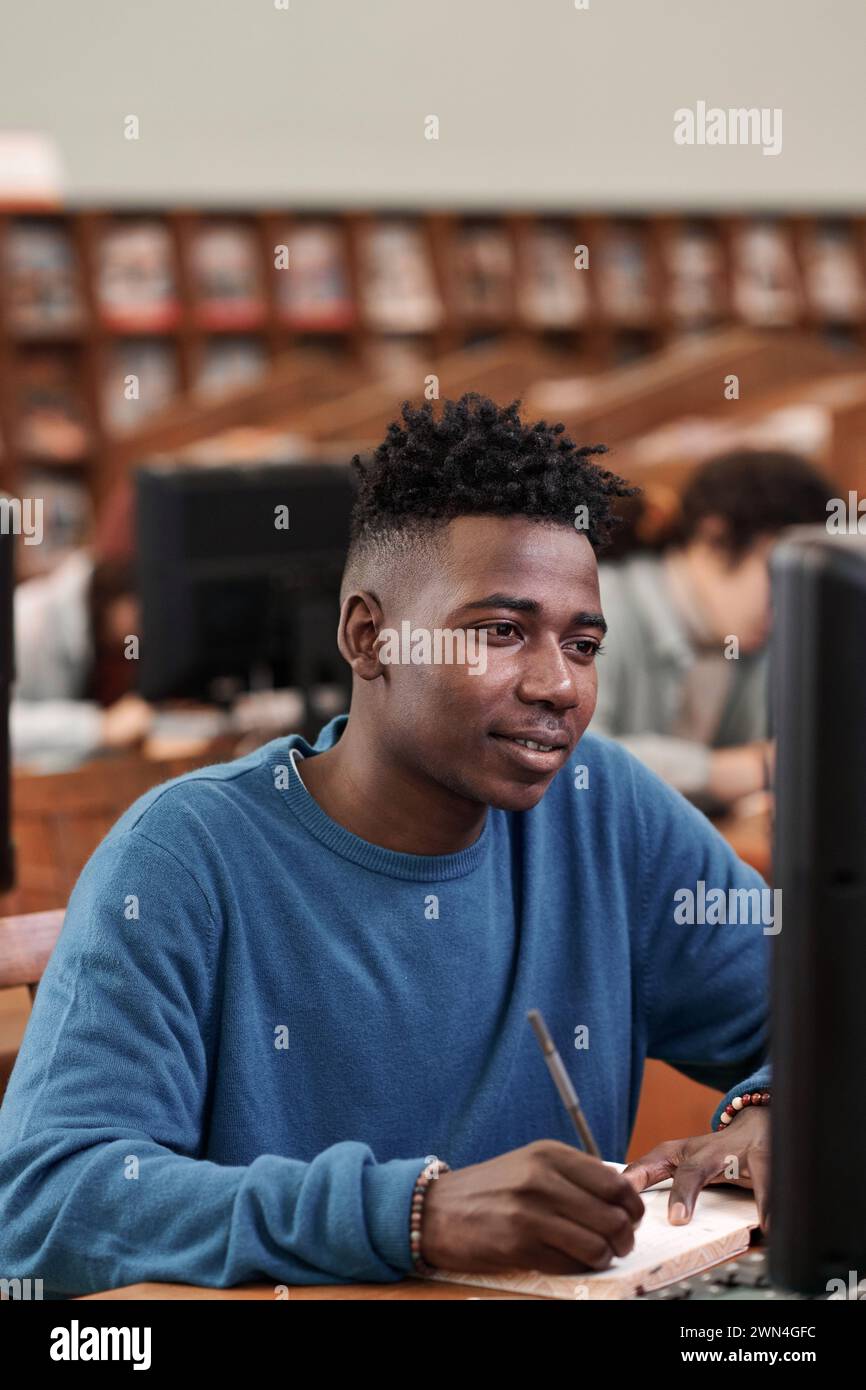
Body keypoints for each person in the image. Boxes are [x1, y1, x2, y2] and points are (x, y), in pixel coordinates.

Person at [0, 395, 771, 1296]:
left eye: (584, 643)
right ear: (369, 637)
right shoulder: (181, 856)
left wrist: (773, 1112)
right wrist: (415, 1216)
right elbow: (46, 1205)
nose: (558, 684)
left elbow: (828, 1017)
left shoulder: (605, 807)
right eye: (501, 631)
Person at [594, 450, 829, 809]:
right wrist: (732, 771)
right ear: (714, 535)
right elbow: (573, 757)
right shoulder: (597, 605)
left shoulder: (752, 642)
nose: (787, 611)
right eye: (779, 577)